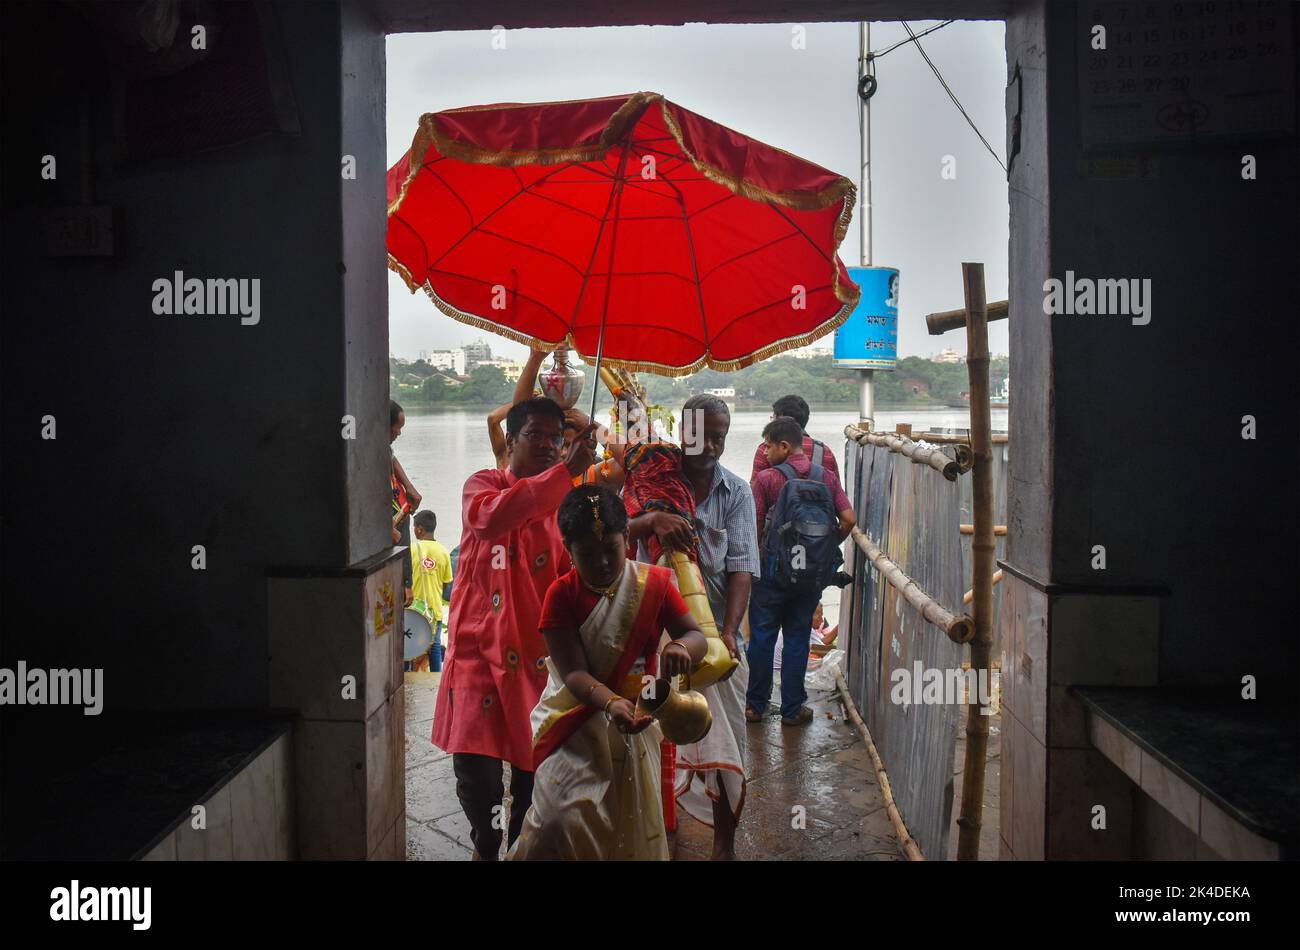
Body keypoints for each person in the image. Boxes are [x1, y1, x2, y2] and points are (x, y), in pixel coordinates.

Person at [432, 397, 597, 860]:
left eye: (557, 439)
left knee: (533, 775)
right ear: (511, 440)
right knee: (476, 772)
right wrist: (566, 474)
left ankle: (521, 847)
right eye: (536, 435)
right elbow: (490, 520)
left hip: (537, 658)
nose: (548, 446)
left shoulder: (567, 503)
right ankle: (485, 844)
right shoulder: (483, 485)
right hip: (475, 653)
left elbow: (576, 576)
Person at [506, 487, 707, 861]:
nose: (601, 563)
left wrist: (680, 649)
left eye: (611, 549)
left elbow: (695, 636)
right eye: (586, 554)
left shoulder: (655, 585)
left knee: (627, 822)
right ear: (568, 549)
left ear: (627, 539)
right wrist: (610, 701)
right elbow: (574, 675)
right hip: (576, 720)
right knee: (557, 820)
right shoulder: (561, 596)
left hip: (638, 719)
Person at [627, 393, 757, 860]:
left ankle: (725, 844)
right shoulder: (650, 480)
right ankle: (662, 829)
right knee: (653, 737)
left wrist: (728, 632)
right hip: (654, 634)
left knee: (729, 746)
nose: (714, 445)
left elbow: (742, 567)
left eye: (721, 436)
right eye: (705, 434)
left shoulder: (737, 492)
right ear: (684, 432)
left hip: (717, 641)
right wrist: (653, 520)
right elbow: (616, 535)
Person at [747, 416, 855, 727]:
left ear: (784, 446)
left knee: (763, 638)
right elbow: (849, 519)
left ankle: (756, 707)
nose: (765, 453)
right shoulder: (828, 479)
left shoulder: (766, 479)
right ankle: (793, 709)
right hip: (810, 577)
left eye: (768, 446)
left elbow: (754, 525)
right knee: (797, 638)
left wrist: (754, 563)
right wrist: (823, 551)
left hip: (771, 572)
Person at [750, 394, 841, 487]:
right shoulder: (825, 452)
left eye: (773, 417)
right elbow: (836, 492)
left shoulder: (767, 449)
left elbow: (754, 493)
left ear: (781, 419)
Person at [488, 348, 550, 469]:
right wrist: (527, 400)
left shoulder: (543, 455)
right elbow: (493, 419)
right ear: (510, 439)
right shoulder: (503, 455)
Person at [408, 510, 453, 672]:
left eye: (414, 528)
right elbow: (447, 583)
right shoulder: (443, 552)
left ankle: (406, 674)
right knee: (434, 646)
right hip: (434, 609)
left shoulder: (411, 549)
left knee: (409, 646)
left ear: (419, 529)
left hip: (413, 609)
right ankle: (436, 679)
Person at [390, 400, 421, 604]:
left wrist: (408, 485)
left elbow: (390, 456)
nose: (399, 434)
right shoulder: (366, 451)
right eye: (397, 428)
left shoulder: (383, 448)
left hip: (398, 512)